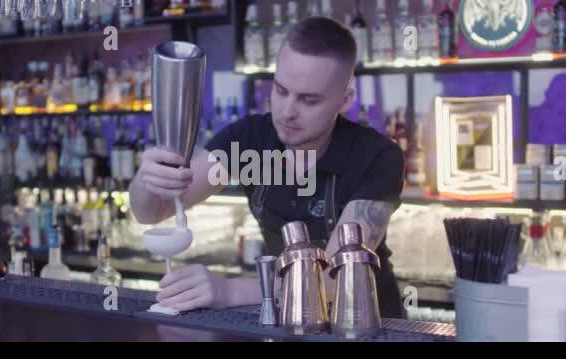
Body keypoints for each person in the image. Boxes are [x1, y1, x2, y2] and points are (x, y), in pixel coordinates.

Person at [129, 17, 406, 318]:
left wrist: (229, 291)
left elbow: (336, 278)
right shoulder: (248, 140)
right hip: (287, 317)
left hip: (367, 324)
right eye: (281, 90)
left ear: (344, 100)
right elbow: (153, 211)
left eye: (309, 101)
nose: (287, 112)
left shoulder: (377, 156)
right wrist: (148, 179)